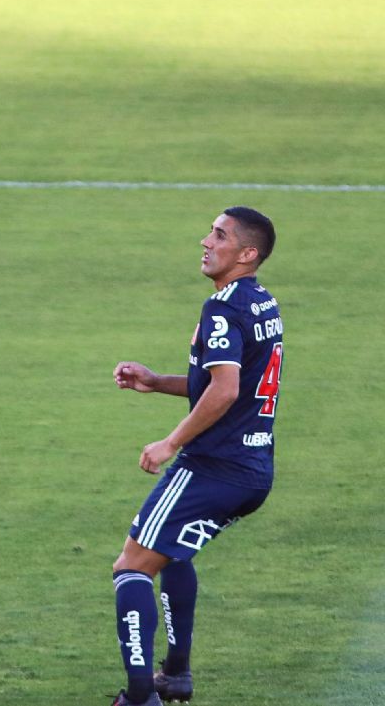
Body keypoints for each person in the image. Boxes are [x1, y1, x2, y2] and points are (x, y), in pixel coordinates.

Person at [107, 207, 284, 705]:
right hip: (252, 471)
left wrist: (171, 442)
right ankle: (176, 674)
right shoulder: (262, 303)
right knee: (175, 551)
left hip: (212, 466)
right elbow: (233, 384)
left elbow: (225, 391)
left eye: (219, 235)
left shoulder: (223, 307)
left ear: (246, 254)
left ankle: (141, 696)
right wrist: (156, 381)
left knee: (132, 567)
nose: (206, 241)